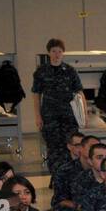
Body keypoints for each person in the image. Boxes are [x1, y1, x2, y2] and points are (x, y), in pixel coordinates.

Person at [31, 38, 86, 177]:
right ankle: (56, 177)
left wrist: (83, 116)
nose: (57, 54)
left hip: (69, 117)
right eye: (54, 51)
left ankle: (72, 175)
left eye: (59, 51)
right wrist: (37, 116)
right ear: (48, 53)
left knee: (72, 146)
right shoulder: (41, 72)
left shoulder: (70, 71)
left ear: (63, 53)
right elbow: (36, 94)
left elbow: (80, 93)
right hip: (50, 117)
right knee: (54, 149)